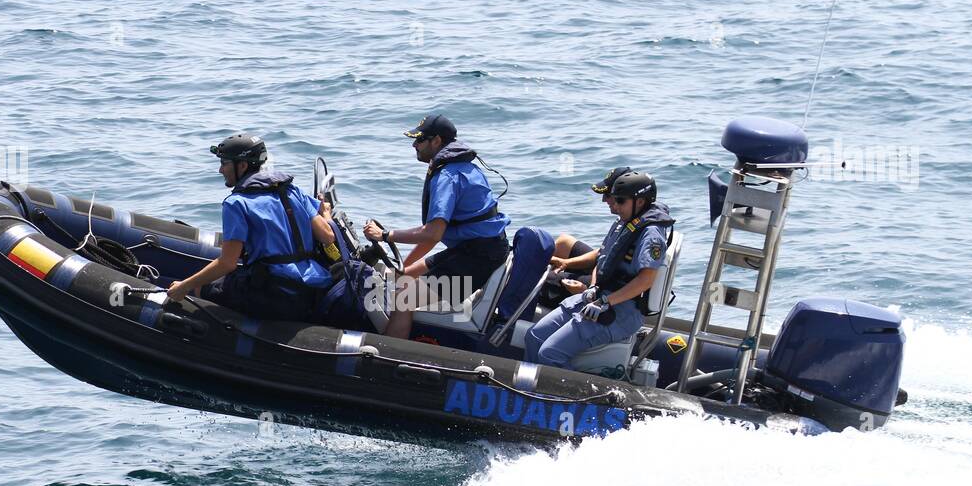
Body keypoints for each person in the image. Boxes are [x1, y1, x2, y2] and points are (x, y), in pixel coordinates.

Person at [362, 114, 509, 339]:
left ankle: (387, 355)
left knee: (405, 298)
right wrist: (404, 268)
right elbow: (432, 238)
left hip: (477, 259)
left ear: (437, 141)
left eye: (419, 140)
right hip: (474, 250)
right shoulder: (461, 166)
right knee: (401, 278)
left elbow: (432, 232)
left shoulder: (448, 176)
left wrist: (384, 235)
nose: (414, 145)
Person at [166, 133, 335, 321]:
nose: (220, 170)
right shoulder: (290, 190)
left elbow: (227, 263)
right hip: (312, 290)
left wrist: (185, 286)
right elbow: (328, 236)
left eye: (224, 163)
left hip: (276, 295)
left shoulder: (236, 204)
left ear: (243, 165)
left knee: (201, 287)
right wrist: (326, 213)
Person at [524, 168, 674, 369]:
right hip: (597, 299)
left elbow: (646, 280)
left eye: (620, 201)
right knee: (533, 336)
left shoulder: (651, 235)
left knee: (550, 353)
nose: (613, 204)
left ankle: (567, 398)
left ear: (639, 202)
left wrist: (606, 301)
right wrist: (593, 288)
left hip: (620, 310)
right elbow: (603, 259)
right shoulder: (624, 224)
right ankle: (533, 392)